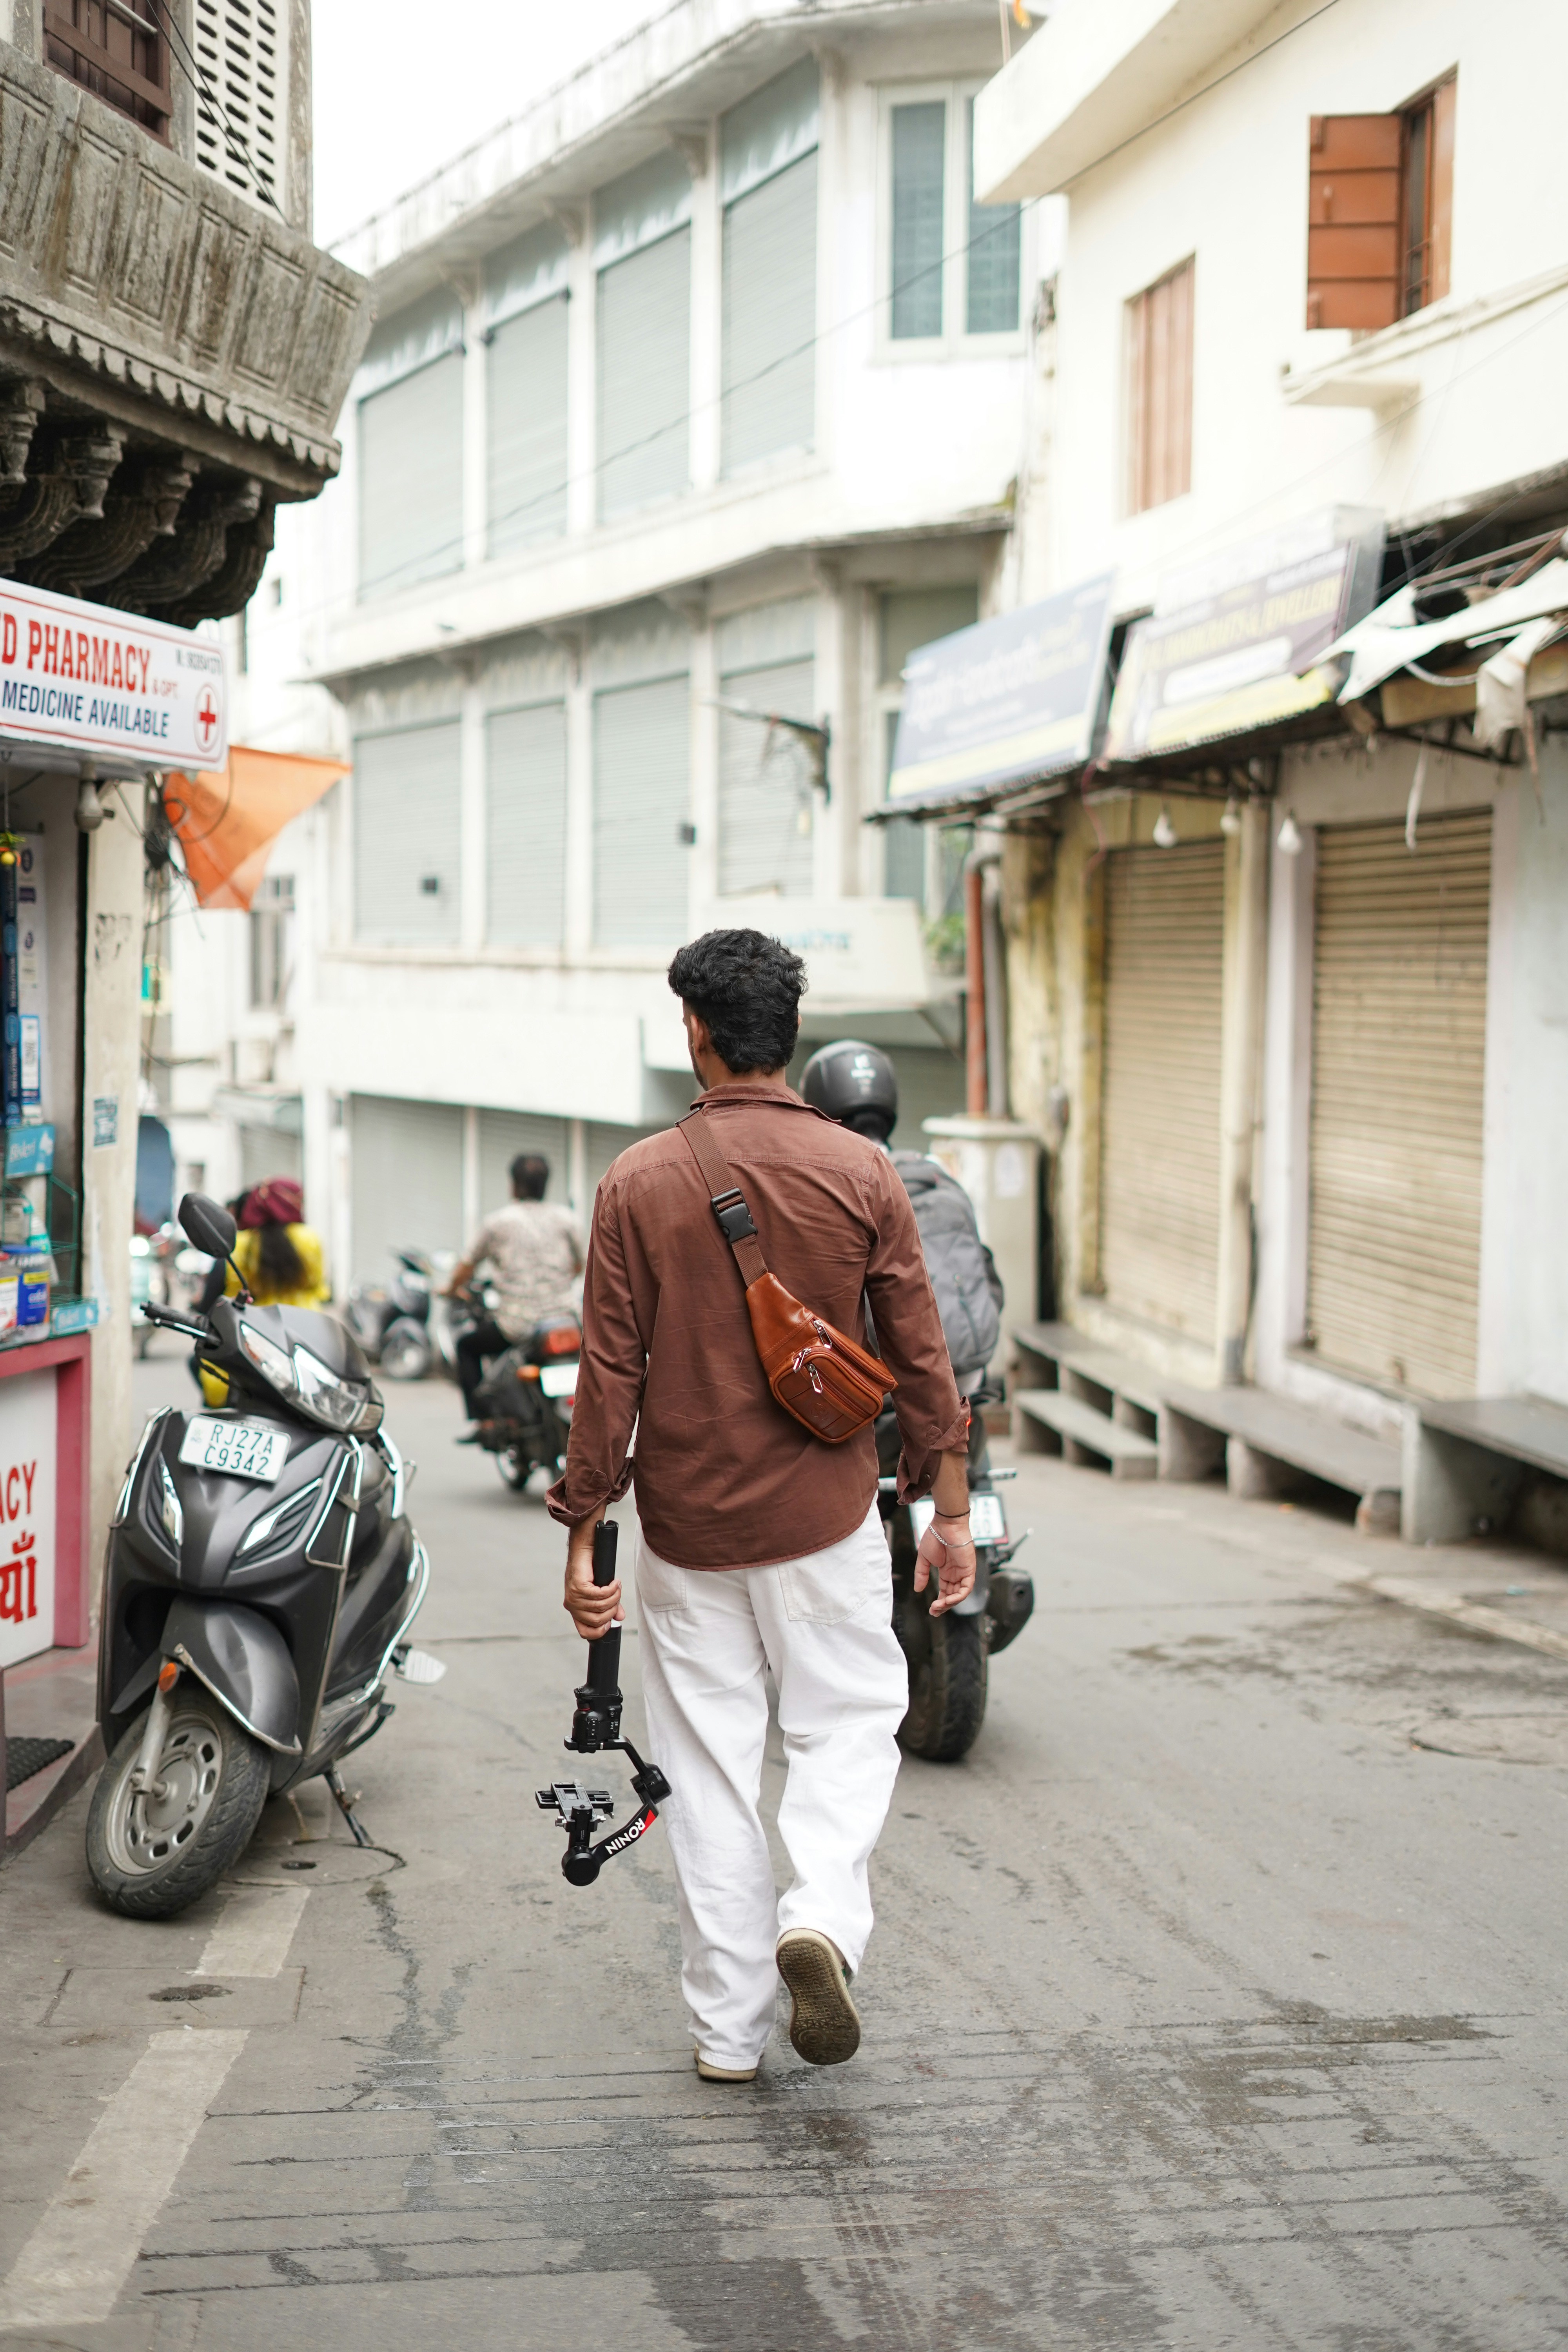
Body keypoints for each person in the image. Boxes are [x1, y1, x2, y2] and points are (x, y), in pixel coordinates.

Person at [550, 929, 974, 2084]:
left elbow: (609, 1376)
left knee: (707, 1771)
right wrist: (946, 1510)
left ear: (695, 1032)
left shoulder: (635, 1181)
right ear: (788, 1035)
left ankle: (726, 2035)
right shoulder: (863, 1172)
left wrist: (587, 1529)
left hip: (687, 1537)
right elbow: (922, 1358)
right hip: (827, 1520)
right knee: (844, 1724)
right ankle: (821, 1918)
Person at [445, 1154, 585, 1420]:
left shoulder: (498, 1223)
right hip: (565, 1321)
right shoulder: (568, 1220)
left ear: (514, 1185)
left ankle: (483, 1420)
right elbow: (581, 1265)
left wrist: (451, 1289)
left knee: (466, 1346)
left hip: (518, 1325)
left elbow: (467, 1264)